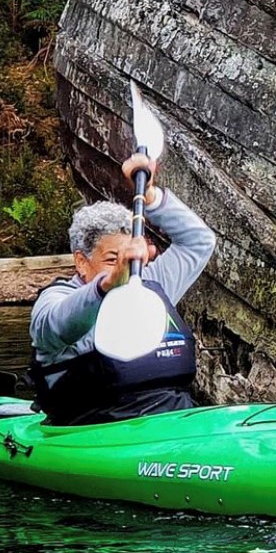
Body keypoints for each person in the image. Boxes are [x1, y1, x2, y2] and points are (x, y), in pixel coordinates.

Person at [28, 153, 216, 425]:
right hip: (90, 430)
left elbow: (198, 241)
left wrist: (150, 196)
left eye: (128, 257)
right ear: (82, 261)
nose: (125, 269)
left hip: (173, 419)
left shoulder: (149, 285)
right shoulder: (55, 300)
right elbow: (57, 325)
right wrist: (109, 283)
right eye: (111, 259)